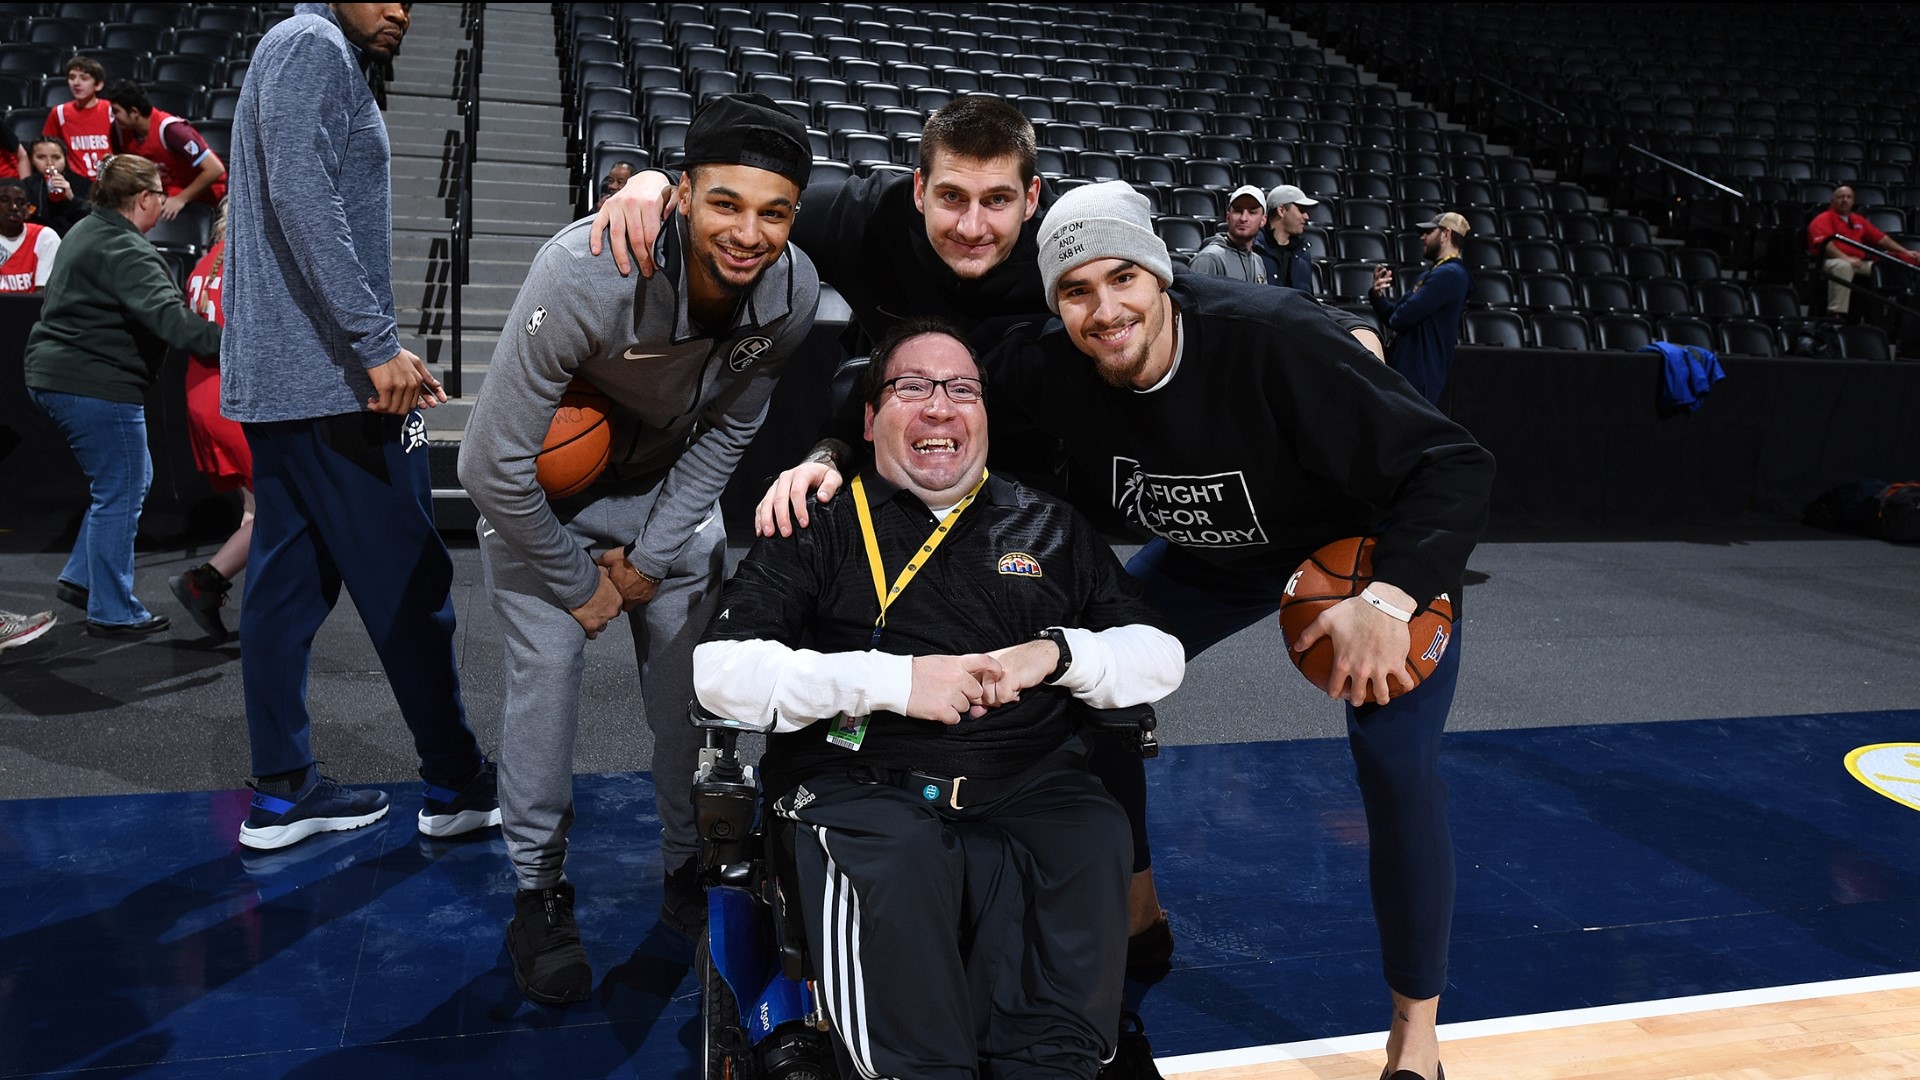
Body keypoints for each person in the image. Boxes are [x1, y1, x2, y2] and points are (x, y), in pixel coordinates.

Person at [760, 182, 1496, 1080]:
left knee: (1395, 763)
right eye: (1076, 291)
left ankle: (1414, 1035)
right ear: (1053, 301)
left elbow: (1454, 463)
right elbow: (896, 389)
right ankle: (1137, 911)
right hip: (1210, 561)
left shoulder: (1272, 338)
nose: (1105, 310)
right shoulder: (1043, 362)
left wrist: (1392, 596)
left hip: (1360, 554)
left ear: (1162, 277)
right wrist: (825, 458)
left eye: (1123, 280)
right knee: (1084, 678)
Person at [693, 318, 1185, 1079]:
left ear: (984, 414)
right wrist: (895, 682)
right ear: (869, 418)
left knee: (1090, 833)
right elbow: (719, 671)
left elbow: (1159, 654)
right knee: (900, 858)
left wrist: (1055, 654)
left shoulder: (1049, 526)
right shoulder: (819, 520)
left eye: (962, 389)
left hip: (1027, 780)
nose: (939, 406)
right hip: (863, 782)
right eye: (911, 387)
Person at [459, 92, 819, 1006]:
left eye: (773, 212)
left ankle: (689, 866)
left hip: (665, 505)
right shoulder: (586, 272)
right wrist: (579, 580)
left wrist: (648, 561)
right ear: (683, 194)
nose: (749, 232)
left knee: (691, 702)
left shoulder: (794, 293)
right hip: (544, 502)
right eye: (727, 203)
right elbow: (489, 464)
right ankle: (538, 893)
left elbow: (729, 437)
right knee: (546, 692)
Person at [222, 2, 500, 852]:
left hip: (293, 382)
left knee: (284, 589)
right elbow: (302, 195)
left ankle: (282, 791)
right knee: (411, 585)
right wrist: (374, 346)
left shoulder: (300, 47)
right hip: (335, 387)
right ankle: (457, 780)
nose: (399, 9)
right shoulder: (312, 44)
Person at [22, 155, 221, 637]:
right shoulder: (126, 250)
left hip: (57, 375)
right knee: (123, 488)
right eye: (158, 192)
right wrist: (237, 344)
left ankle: (81, 577)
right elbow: (172, 323)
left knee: (123, 480)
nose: (162, 199)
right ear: (143, 200)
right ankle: (112, 609)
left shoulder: (88, 229)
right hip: (93, 383)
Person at [172, 204, 248, 643]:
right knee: (282, 511)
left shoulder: (208, 257)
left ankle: (227, 594)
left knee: (257, 511)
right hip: (233, 396)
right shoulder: (246, 259)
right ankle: (204, 581)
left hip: (202, 391)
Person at [1369, 211, 1472, 406]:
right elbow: (1395, 316)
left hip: (1420, 373)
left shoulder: (1449, 274)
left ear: (1446, 234)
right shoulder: (1435, 273)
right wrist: (1377, 296)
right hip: (1411, 369)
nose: (1422, 237)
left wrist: (1395, 314)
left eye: (1429, 231)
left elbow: (1400, 318)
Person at [101, 80, 227, 221]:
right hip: (161, 195)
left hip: (199, 198)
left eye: (116, 111)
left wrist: (181, 198)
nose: (113, 116)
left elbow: (216, 169)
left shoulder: (172, 131)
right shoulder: (118, 131)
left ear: (134, 112)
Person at [1807, 185, 1919, 317]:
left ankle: (1886, 313)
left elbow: (1880, 239)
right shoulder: (1823, 219)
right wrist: (1845, 258)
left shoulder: (1857, 220)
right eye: (1840, 197)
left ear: (1853, 201)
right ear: (1832, 201)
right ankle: (1836, 313)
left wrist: (1905, 252)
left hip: (1858, 262)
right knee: (1843, 266)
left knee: (1884, 267)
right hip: (1829, 262)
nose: (1845, 200)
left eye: (1849, 197)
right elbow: (1825, 244)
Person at [42, 56, 113, 182]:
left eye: (84, 78)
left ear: (98, 85)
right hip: (75, 182)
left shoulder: (111, 111)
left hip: (109, 182)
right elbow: (46, 147)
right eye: (72, 77)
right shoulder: (59, 113)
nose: (76, 83)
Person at [1187, 183, 1270, 283]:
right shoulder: (1208, 259)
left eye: (1252, 212)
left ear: (1263, 220)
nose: (1243, 218)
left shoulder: (1258, 261)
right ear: (1228, 217)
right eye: (1238, 211)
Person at [1254, 183, 1320, 291]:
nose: (1307, 217)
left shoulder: (1303, 254)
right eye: (1301, 210)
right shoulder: (1254, 250)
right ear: (1281, 210)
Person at [0, 179, 62, 294]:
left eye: (20, 202)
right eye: (4, 200)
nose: (13, 207)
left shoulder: (45, 238)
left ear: (28, 211)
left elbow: (42, 297)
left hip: (30, 310)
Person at [24, 138, 95, 236]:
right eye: (41, 157)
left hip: (75, 238)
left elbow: (95, 217)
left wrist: (72, 198)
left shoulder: (84, 184)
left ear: (65, 158)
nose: (49, 163)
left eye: (56, 157)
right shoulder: (26, 185)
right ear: (32, 160)